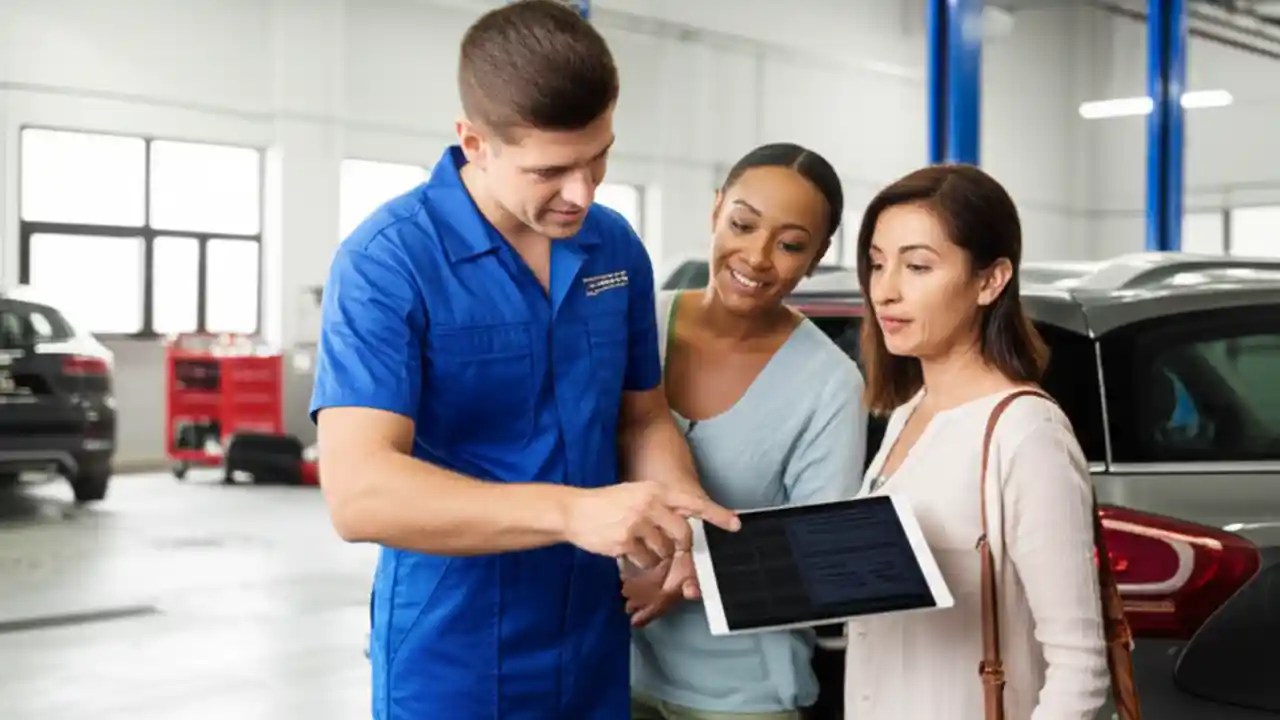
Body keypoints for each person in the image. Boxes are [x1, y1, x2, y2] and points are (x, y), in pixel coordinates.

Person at [308, 2, 739, 719]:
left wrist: (675, 507)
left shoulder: (612, 248)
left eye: (599, 155)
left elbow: (641, 417)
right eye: (551, 170)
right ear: (473, 141)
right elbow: (359, 494)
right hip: (454, 655)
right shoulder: (388, 262)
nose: (584, 192)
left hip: (596, 638)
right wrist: (573, 513)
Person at [843, 164, 1110, 719]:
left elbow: (1080, 669)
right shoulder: (908, 413)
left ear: (990, 280)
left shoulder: (1026, 433)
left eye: (917, 266)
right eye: (876, 263)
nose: (885, 290)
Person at [624, 143, 868, 720]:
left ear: (816, 256)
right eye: (742, 224)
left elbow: (818, 558)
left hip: (742, 695)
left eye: (789, 244)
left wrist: (689, 572)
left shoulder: (830, 384)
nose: (758, 256)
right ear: (715, 213)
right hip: (609, 671)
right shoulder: (636, 324)